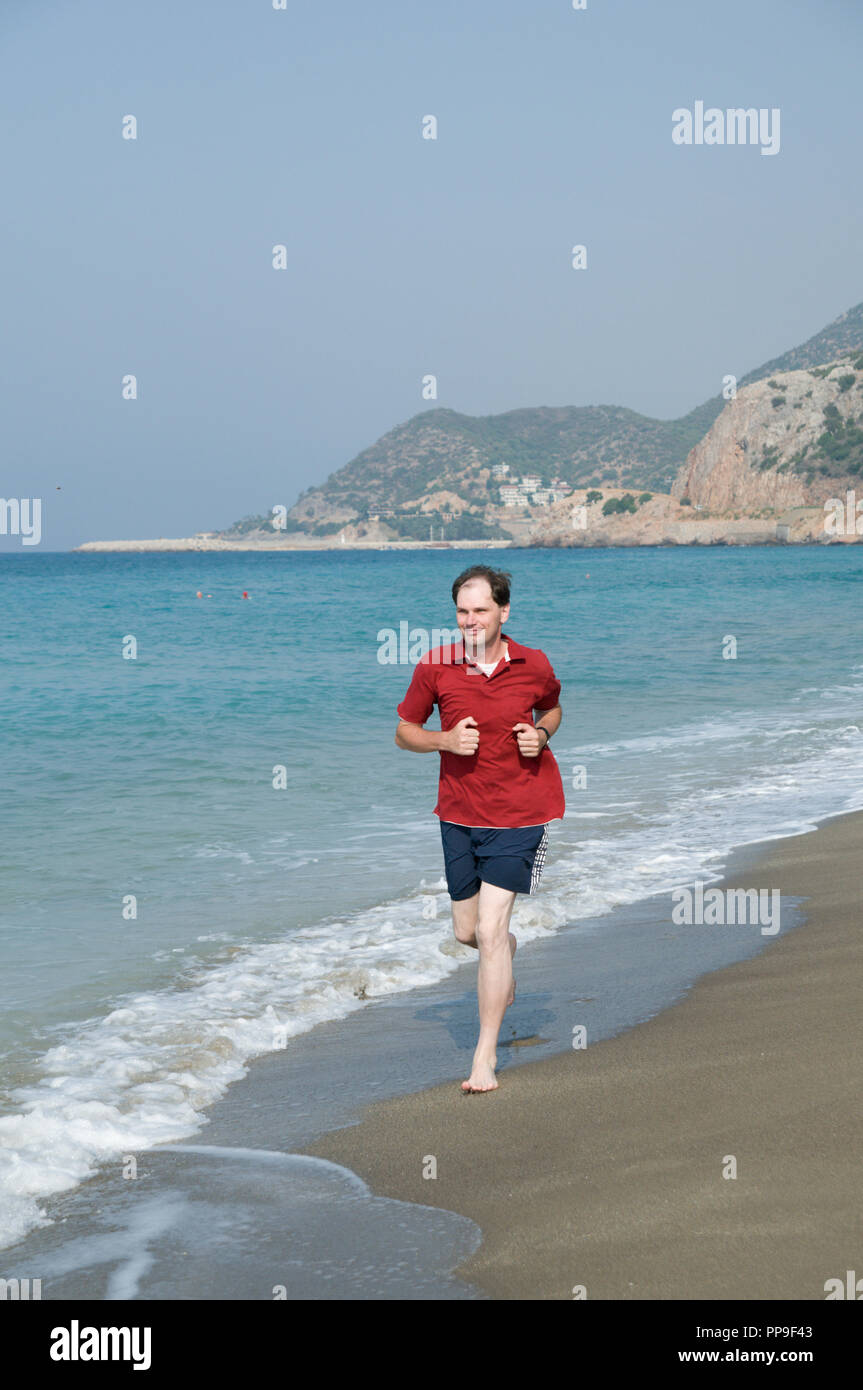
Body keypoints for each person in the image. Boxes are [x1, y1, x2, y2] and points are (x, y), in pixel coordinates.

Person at [395, 565, 565, 1093]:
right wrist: (443, 742)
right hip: (458, 815)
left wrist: (539, 734)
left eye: (481, 611)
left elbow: (553, 707)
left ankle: (484, 1058)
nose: (471, 621)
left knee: (489, 931)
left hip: (521, 811)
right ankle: (504, 952)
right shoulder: (436, 666)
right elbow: (404, 732)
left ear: (503, 612)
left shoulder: (533, 663)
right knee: (467, 933)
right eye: (462, 612)